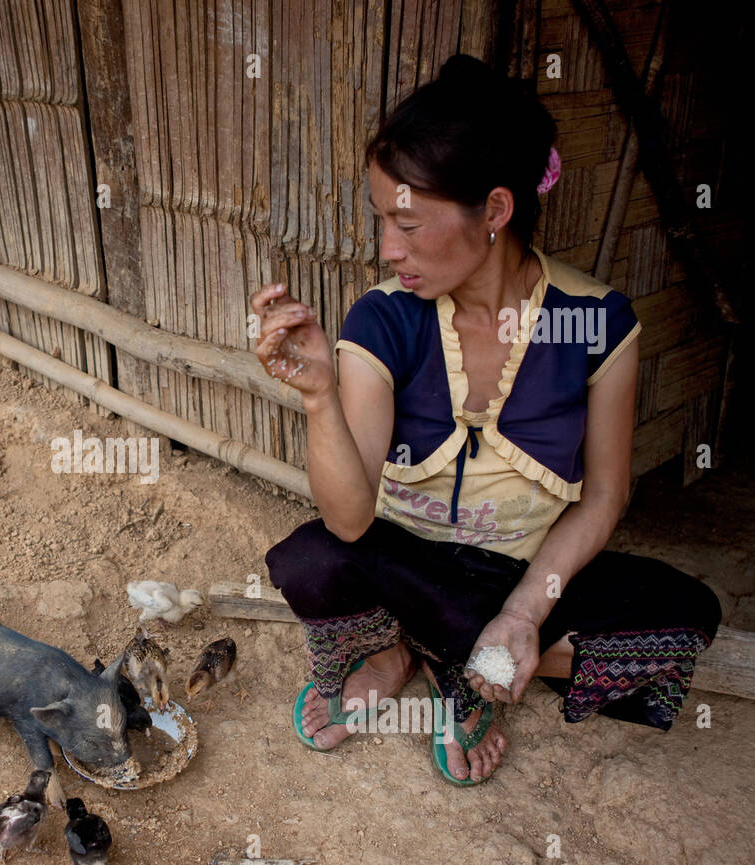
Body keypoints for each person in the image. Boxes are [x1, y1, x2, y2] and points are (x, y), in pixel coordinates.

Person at [252, 54, 721, 785]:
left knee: (683, 614)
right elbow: (348, 522)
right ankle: (438, 657)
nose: (387, 248)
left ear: (496, 211)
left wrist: (525, 613)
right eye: (382, 219)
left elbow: (604, 496)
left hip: (521, 576)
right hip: (404, 561)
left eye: (406, 222)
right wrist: (319, 396)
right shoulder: (383, 319)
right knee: (313, 559)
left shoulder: (595, 322)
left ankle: (433, 646)